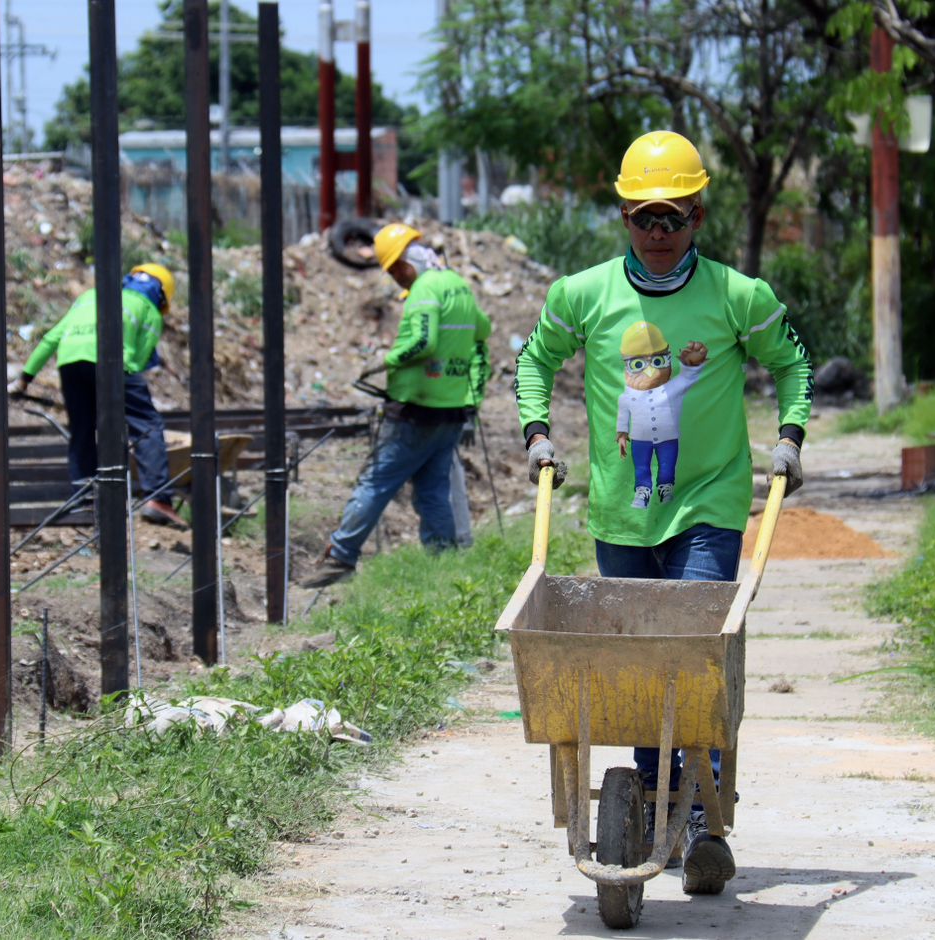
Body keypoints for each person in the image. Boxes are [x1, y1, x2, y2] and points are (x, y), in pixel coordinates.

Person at [514, 130, 812, 895]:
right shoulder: (581, 296)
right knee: (640, 669)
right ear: (622, 216)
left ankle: (705, 819)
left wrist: (789, 438)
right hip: (621, 513)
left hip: (709, 502)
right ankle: (652, 802)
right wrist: (538, 433)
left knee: (693, 651)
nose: (657, 233)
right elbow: (535, 360)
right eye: (643, 217)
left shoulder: (738, 297)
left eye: (672, 217)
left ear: (698, 216)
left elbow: (791, 363)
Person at [305, 223, 492, 587]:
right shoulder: (458, 286)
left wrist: (387, 361)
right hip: (450, 411)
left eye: (394, 270)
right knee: (434, 490)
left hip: (414, 410)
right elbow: (483, 329)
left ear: (406, 262)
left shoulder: (423, 290)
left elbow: (424, 341)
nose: (395, 279)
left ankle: (341, 556)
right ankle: (443, 567)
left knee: (376, 482)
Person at [11, 262, 188, 529]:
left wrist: (24, 379)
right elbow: (138, 361)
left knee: (82, 428)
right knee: (147, 426)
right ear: (162, 294)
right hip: (113, 362)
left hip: (70, 362)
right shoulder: (149, 309)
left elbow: (51, 339)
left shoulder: (88, 297)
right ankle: (158, 498)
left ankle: (84, 498)